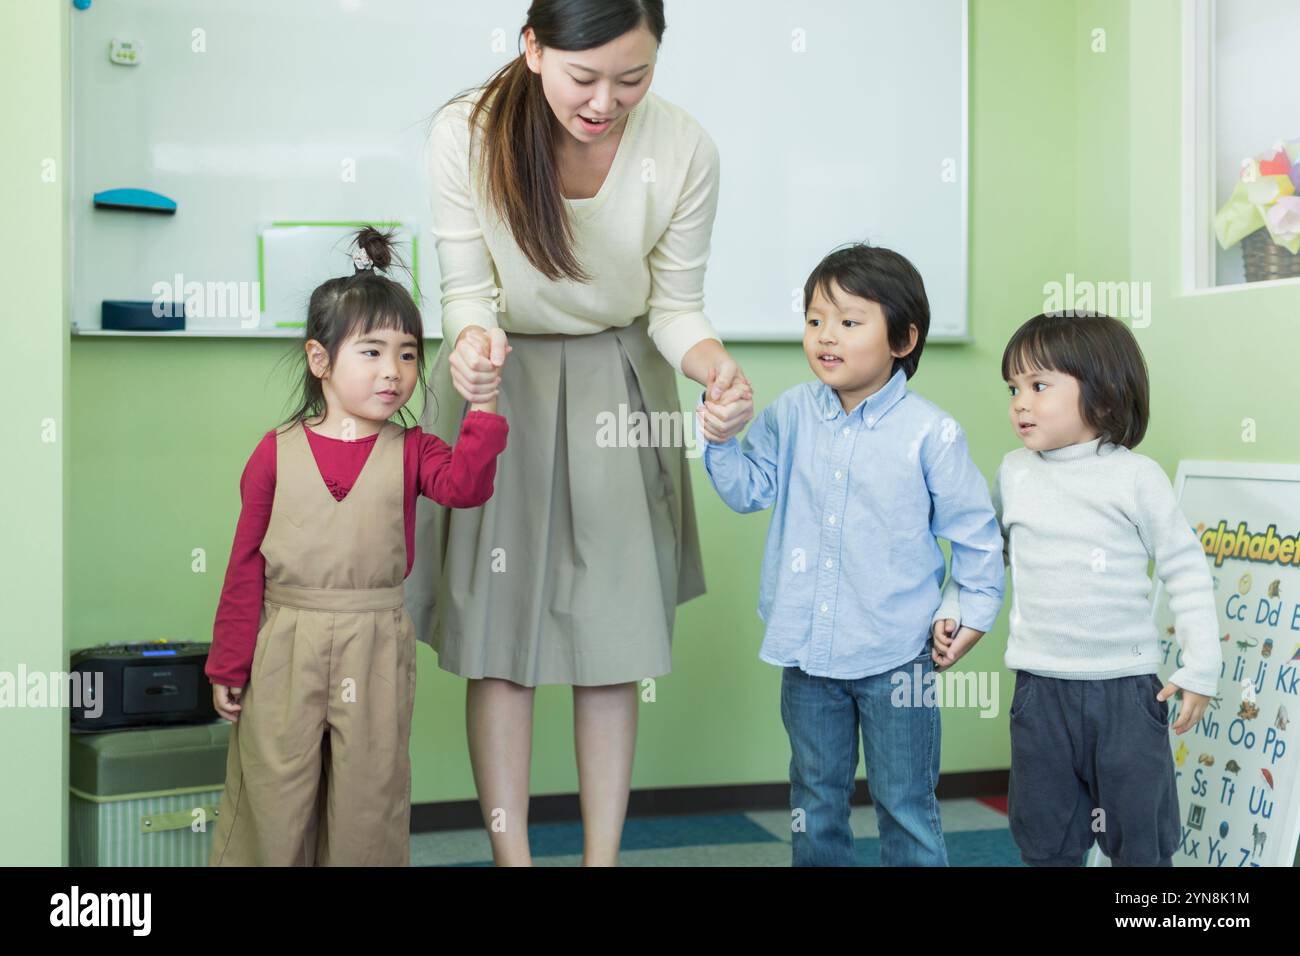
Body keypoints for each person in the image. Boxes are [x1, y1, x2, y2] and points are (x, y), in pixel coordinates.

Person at [407, 0, 753, 866]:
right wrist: (476, 350)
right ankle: (511, 859)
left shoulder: (684, 149)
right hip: (497, 377)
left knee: (612, 634)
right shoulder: (468, 132)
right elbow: (466, 292)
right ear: (532, 47)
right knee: (498, 636)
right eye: (584, 77)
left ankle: (603, 860)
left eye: (632, 78)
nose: (606, 101)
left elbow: (674, 307)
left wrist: (716, 370)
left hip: (618, 371)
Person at [205, 227, 509, 865]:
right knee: (274, 789)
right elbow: (244, 567)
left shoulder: (415, 450)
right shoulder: (274, 452)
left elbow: (466, 488)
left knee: (369, 795)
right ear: (320, 360)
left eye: (407, 354)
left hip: (374, 641)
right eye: (371, 352)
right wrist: (228, 664)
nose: (393, 372)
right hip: (285, 641)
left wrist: (481, 411)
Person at [699, 243, 1005, 866]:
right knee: (814, 801)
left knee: (905, 802)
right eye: (815, 320)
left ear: (903, 338)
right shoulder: (791, 414)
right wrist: (723, 440)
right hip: (809, 654)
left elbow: (975, 534)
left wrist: (970, 613)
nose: (826, 337)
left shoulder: (931, 433)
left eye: (849, 320)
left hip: (898, 654)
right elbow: (750, 490)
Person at [939, 311, 1220, 867]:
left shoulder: (1136, 477)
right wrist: (954, 606)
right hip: (1040, 692)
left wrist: (1201, 667)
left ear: (1106, 396)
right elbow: (984, 557)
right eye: (1013, 388)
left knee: (1140, 841)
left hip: (1125, 691)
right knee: (1046, 839)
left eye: (1039, 385)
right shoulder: (1015, 472)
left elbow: (1184, 570)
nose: (1020, 401)